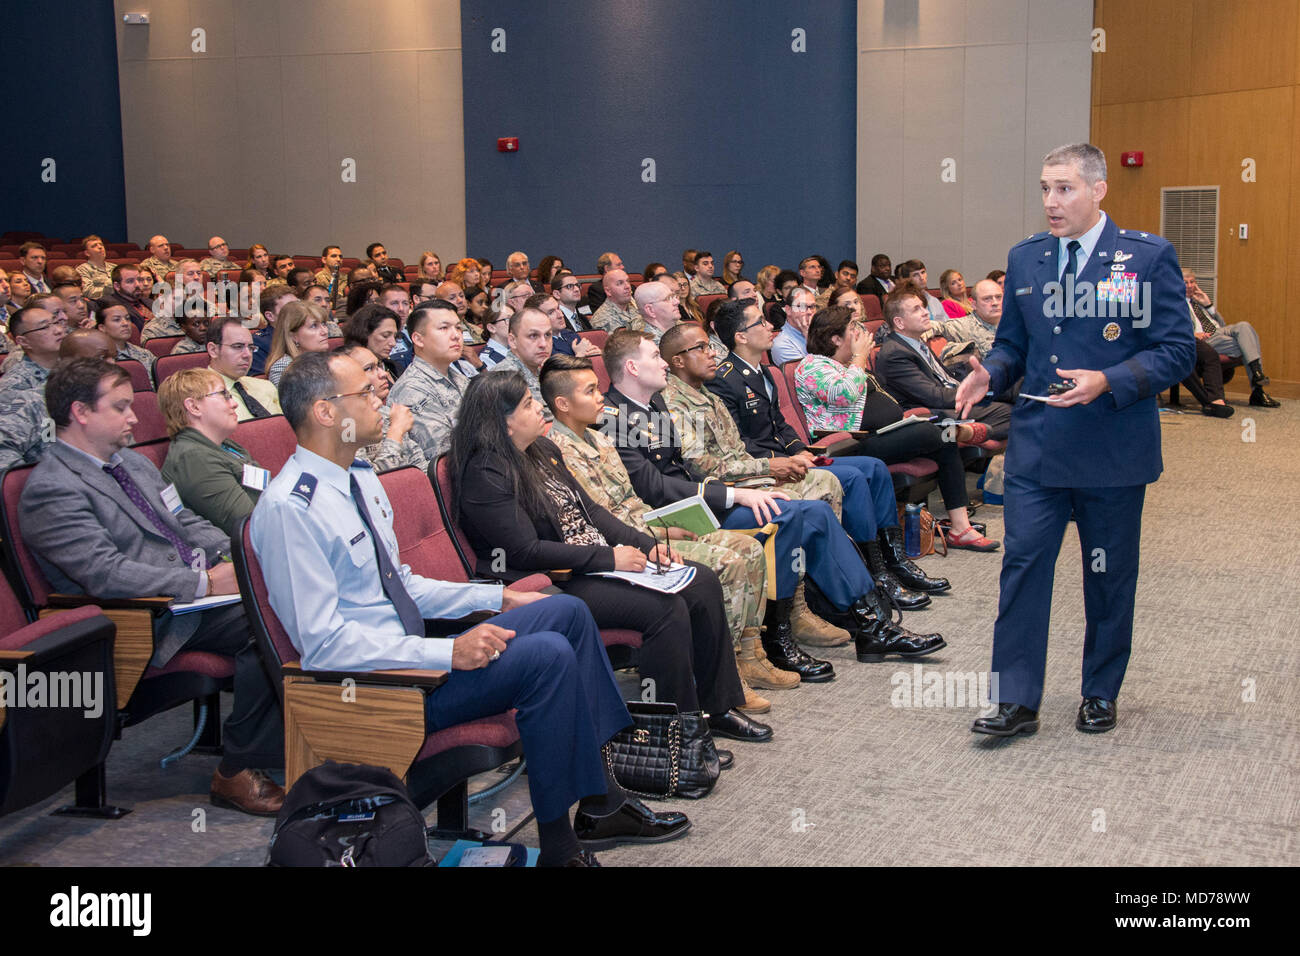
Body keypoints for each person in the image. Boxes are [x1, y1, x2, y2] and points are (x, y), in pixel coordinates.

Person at [254, 351, 683, 865]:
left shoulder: (358, 476)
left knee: (565, 612)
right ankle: (561, 847)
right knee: (545, 654)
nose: (380, 399)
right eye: (364, 394)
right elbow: (323, 645)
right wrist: (446, 652)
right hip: (385, 686)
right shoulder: (290, 509)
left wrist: (496, 596)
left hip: (415, 657)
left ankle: (601, 797)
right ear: (326, 412)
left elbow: (401, 583)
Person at [958, 143, 1196, 738]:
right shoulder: (1028, 258)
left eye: (1064, 188)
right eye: (1044, 188)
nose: (1051, 202)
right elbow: (1015, 345)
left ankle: (1099, 690)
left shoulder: (1146, 257)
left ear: (1098, 190)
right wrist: (992, 369)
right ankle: (1015, 701)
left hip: (1112, 448)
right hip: (1038, 448)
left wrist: (1109, 381)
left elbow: (1176, 350)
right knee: (1023, 566)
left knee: (1108, 574)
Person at [449, 368, 773, 751]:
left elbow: (593, 512)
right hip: (553, 579)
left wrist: (647, 545)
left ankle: (716, 708)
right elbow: (524, 551)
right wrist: (610, 559)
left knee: (699, 579)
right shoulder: (485, 471)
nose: (540, 408)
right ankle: (673, 734)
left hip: (590, 561)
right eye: (528, 404)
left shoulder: (541, 450)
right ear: (502, 425)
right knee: (665, 608)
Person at [22, 358, 284, 813]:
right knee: (269, 622)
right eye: (121, 407)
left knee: (286, 599)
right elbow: (106, 574)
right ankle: (236, 771)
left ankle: (299, 741)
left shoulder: (132, 464)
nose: (134, 417)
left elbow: (182, 521)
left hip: (192, 595)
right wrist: (202, 582)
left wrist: (240, 558)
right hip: (143, 617)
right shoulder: (53, 488)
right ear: (81, 412)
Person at [601, 329, 945, 675]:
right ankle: (781, 640)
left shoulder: (654, 402)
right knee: (786, 515)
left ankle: (870, 621)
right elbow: (654, 486)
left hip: (700, 498)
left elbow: (685, 468)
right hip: (670, 517)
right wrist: (737, 493)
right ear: (632, 367)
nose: (662, 363)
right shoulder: (614, 417)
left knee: (813, 511)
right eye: (654, 357)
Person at [541, 354, 791, 711]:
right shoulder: (558, 452)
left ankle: (748, 654)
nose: (601, 397)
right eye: (591, 391)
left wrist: (663, 525)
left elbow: (629, 500)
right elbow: (596, 521)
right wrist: (649, 539)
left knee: (747, 548)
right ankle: (724, 671)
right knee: (727, 561)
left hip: (649, 528)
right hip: (626, 549)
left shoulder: (601, 440)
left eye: (598, 388)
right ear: (563, 405)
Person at [706, 298, 951, 603]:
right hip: (766, 468)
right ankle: (874, 573)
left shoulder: (763, 372)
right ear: (741, 336)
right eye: (760, 322)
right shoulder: (724, 379)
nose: (770, 326)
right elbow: (739, 442)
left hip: (790, 457)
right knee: (852, 476)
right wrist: (785, 458)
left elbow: (780, 424)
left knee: (873, 467)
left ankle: (892, 563)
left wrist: (799, 448)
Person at [795, 306, 996, 550]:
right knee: (936, 432)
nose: (861, 335)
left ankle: (960, 527)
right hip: (850, 445)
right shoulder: (813, 366)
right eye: (853, 330)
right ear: (835, 338)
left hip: (883, 434)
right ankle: (958, 429)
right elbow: (844, 394)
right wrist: (859, 358)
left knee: (940, 434)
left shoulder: (848, 364)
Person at [875, 288, 1013, 441]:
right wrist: (972, 392)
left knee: (1012, 391)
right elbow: (932, 396)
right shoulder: (894, 353)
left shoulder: (915, 342)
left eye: (923, 307)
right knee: (1009, 412)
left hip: (949, 398)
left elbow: (945, 380)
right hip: (932, 414)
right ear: (899, 322)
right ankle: (967, 444)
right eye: (916, 310)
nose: (925, 312)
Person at [159, 368, 266, 536]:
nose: (234, 403)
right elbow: (252, 527)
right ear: (193, 407)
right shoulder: (193, 459)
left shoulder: (222, 444)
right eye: (224, 395)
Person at [1182, 269, 1279, 407]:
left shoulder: (1198, 301)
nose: (1190, 286)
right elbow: (1174, 328)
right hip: (1204, 341)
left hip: (1218, 334)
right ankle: (1258, 386)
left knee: (1244, 327)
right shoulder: (1177, 303)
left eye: (1192, 282)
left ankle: (1257, 376)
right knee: (1249, 343)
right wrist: (1193, 335)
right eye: (1185, 283)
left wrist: (1208, 305)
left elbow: (1222, 325)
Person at [388, 299, 470, 460]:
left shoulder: (457, 376)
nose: (456, 335)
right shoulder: (412, 389)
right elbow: (443, 457)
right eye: (444, 328)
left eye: (458, 327)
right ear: (418, 339)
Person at [335, 342, 428, 472]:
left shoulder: (385, 412)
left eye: (378, 365)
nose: (383, 374)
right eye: (369, 368)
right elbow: (370, 481)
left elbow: (420, 467)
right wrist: (396, 432)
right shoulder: (346, 425)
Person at [0, 305, 65, 471]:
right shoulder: (15, 386)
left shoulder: (73, 371)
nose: (58, 330)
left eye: (56, 323)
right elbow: (5, 452)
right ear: (23, 341)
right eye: (45, 327)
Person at [486, 301, 555, 419]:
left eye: (547, 335)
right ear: (513, 341)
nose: (543, 344)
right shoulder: (504, 379)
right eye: (533, 336)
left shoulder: (543, 371)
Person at [205, 316, 282, 421]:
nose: (247, 355)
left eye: (251, 348)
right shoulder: (200, 396)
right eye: (237, 347)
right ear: (213, 350)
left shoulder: (266, 386)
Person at [266, 300, 331, 387]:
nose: (325, 331)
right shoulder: (283, 367)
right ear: (292, 336)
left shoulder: (327, 360)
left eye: (323, 324)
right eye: (314, 326)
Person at [343, 302, 400, 380]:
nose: (393, 343)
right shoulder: (350, 372)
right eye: (385, 336)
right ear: (364, 334)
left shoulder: (393, 366)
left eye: (395, 337)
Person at [96, 300, 156, 372]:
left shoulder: (144, 354)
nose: (125, 323)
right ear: (102, 328)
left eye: (127, 318)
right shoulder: (98, 359)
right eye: (117, 320)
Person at [770, 285, 817, 365]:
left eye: (812, 306)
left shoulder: (822, 332)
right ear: (788, 310)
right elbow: (813, 373)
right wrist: (809, 338)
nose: (809, 312)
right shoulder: (781, 345)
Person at [590, 269, 641, 333]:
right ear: (608, 291)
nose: (627, 286)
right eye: (620, 283)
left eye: (628, 281)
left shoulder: (634, 307)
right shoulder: (602, 319)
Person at [314, 245, 348, 309]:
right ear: (324, 259)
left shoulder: (346, 277)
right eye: (334, 256)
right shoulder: (318, 278)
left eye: (340, 257)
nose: (338, 259)